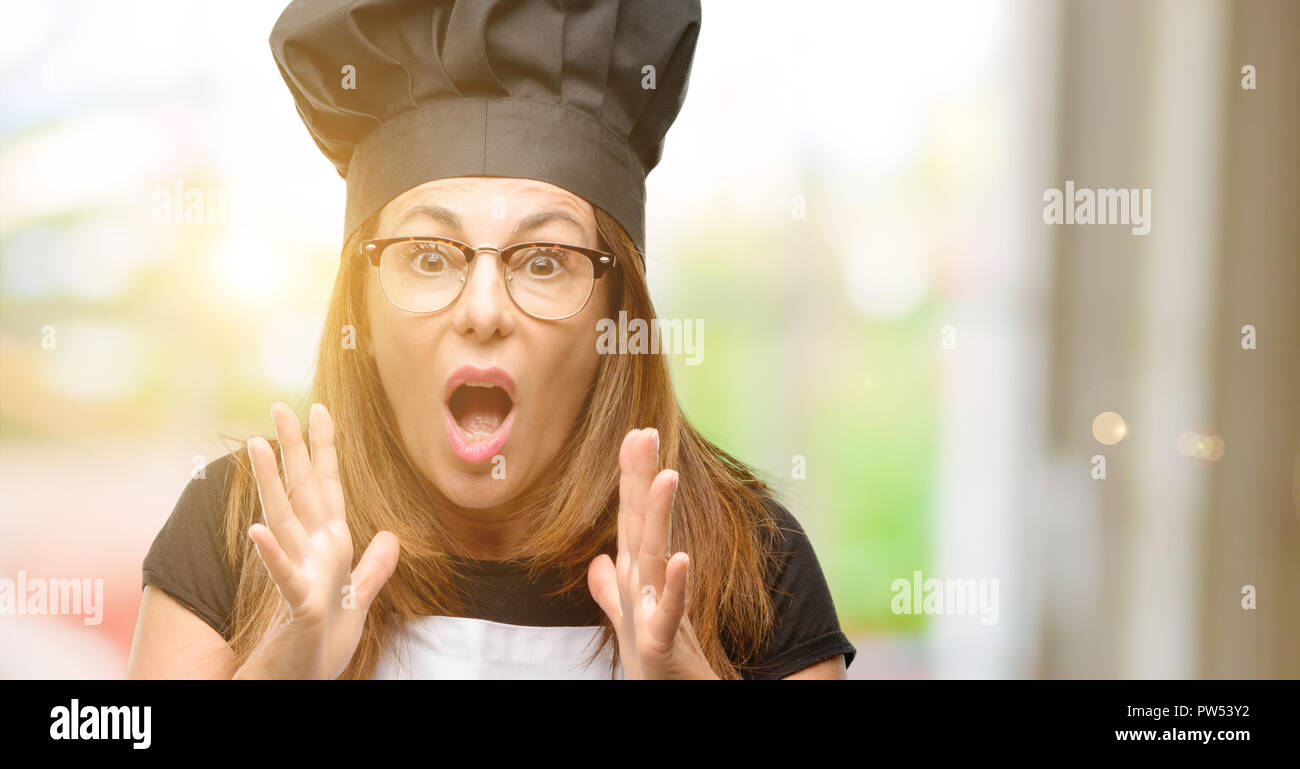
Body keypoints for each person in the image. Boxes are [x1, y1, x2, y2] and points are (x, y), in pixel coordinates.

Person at [126, 0, 856, 680]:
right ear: (363, 311)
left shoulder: (753, 560)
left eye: (544, 261)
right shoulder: (236, 533)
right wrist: (281, 666)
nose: (482, 310)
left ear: (614, 317)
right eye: (429, 255)